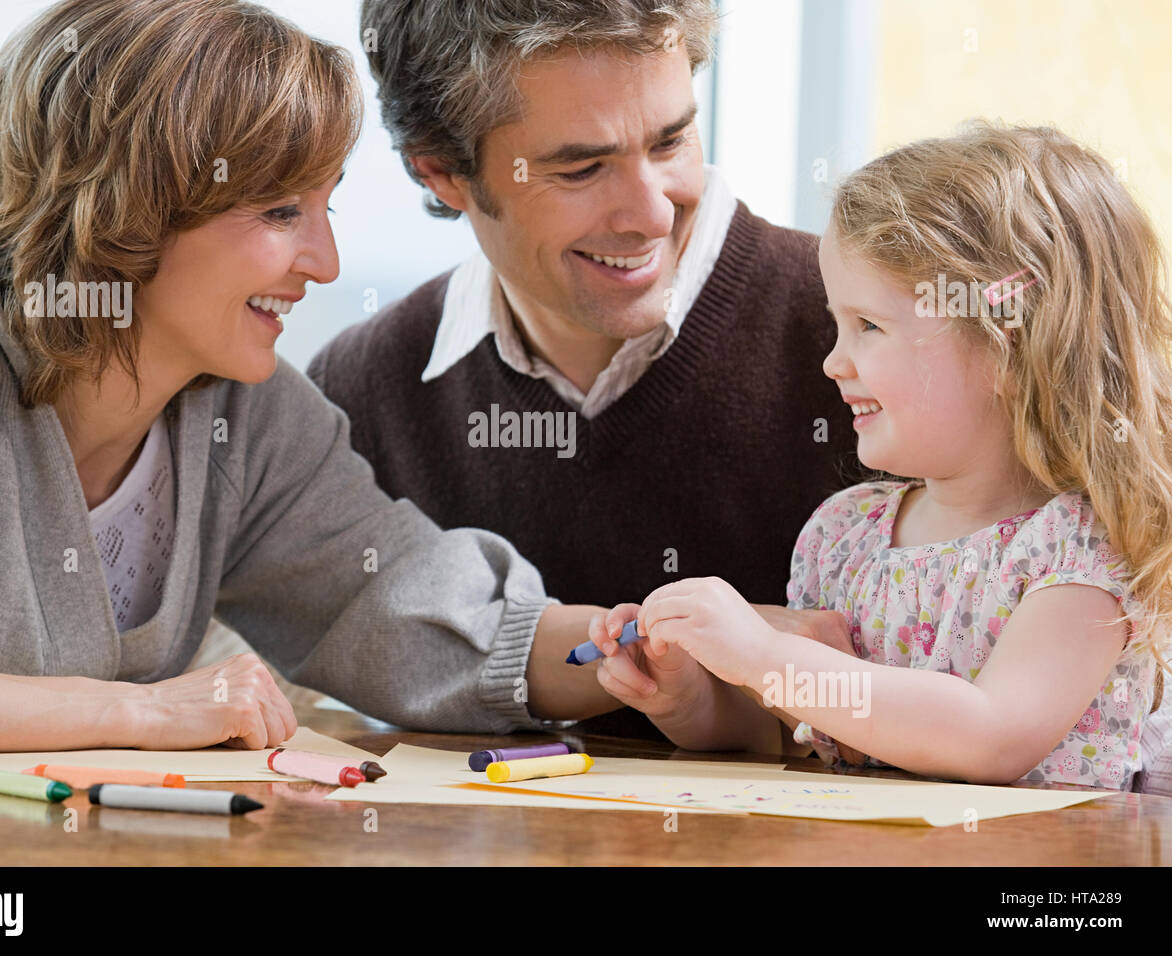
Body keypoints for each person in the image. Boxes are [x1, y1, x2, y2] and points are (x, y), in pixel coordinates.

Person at [0, 0, 640, 755]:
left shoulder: (244, 413)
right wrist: (142, 714)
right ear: (123, 208)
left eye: (324, 207)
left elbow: (395, 606)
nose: (325, 262)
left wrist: (631, 651)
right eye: (279, 213)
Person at [307, 0, 866, 745]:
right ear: (444, 173)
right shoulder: (362, 392)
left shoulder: (868, 342)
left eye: (671, 142)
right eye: (581, 167)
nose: (650, 214)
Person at [593, 123, 1172, 789]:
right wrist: (687, 695)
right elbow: (796, 733)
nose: (834, 361)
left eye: (869, 326)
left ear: (1010, 350)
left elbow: (991, 735)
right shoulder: (846, 536)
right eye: (838, 324)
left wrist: (763, 655)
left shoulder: (1078, 548)